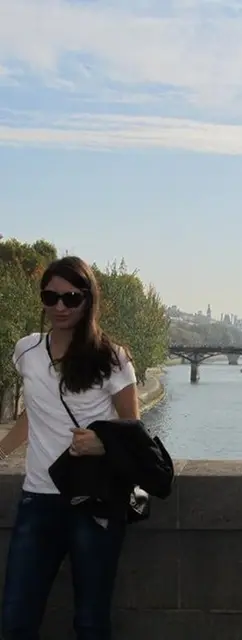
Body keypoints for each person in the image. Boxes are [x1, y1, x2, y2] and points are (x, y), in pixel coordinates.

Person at [0, 256, 139, 640]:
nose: (59, 307)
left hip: (93, 502)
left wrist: (103, 442)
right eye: (51, 297)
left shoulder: (112, 358)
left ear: (87, 299)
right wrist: (1, 451)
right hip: (38, 500)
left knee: (91, 622)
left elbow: (132, 428)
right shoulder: (26, 351)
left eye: (71, 298)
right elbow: (34, 412)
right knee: (15, 619)